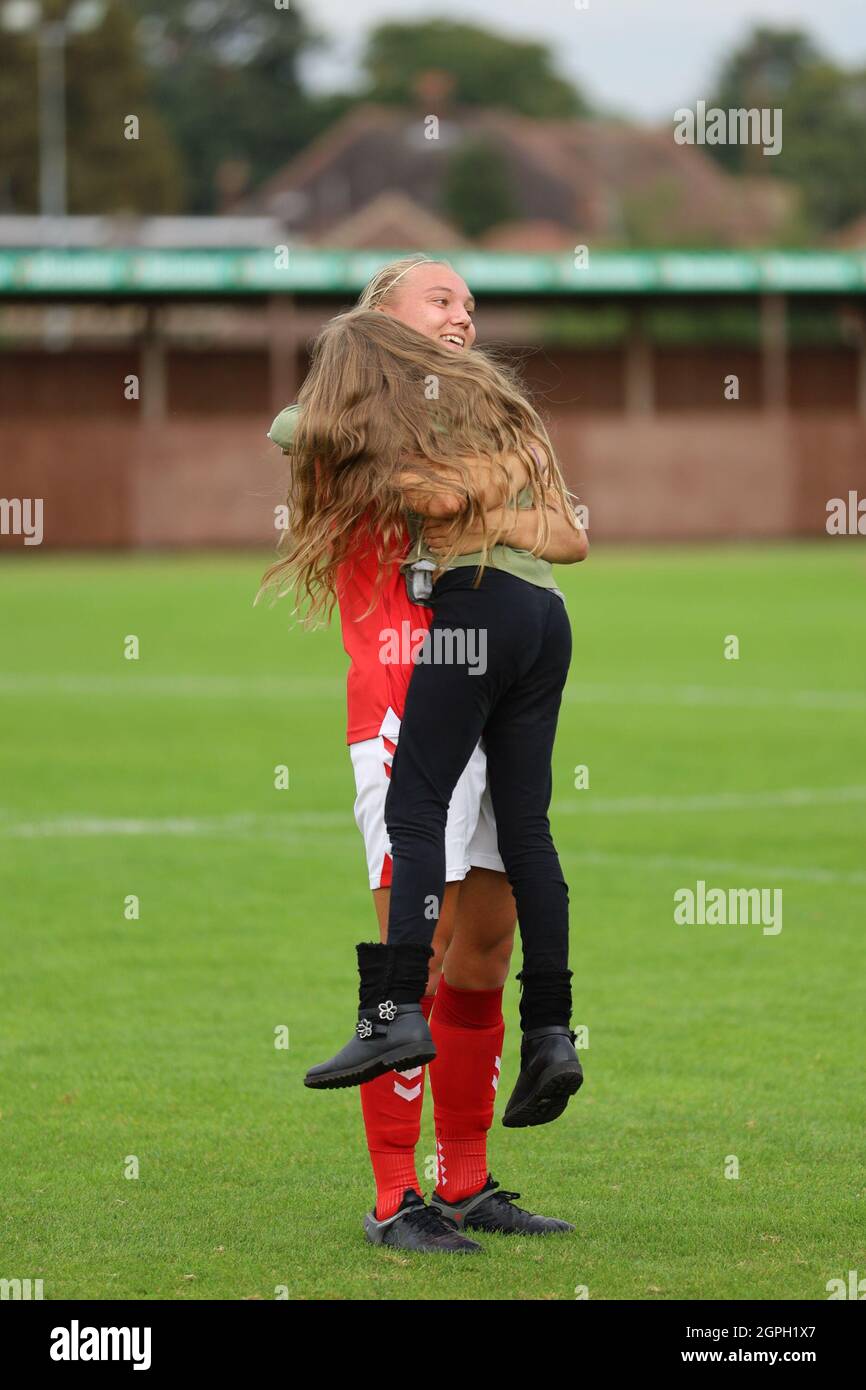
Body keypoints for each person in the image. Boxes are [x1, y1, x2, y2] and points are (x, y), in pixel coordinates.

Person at [262, 257, 588, 1253]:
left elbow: (566, 533)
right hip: (402, 708)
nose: (463, 313)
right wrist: (453, 469)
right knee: (424, 951)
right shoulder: (343, 413)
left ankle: (467, 1177)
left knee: (483, 955)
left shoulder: (486, 418)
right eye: (439, 298)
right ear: (383, 318)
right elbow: (294, 429)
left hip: (485, 694)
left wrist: (476, 498)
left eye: (470, 302)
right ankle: (392, 1197)